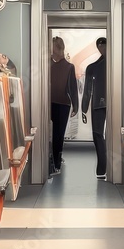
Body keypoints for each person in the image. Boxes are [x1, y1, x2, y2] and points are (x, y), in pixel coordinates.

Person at [49, 36, 78, 176]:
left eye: (53, 47)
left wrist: (76, 106)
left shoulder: (69, 67)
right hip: (48, 104)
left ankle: (57, 163)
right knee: (52, 134)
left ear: (57, 48)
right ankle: (53, 160)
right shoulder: (47, 64)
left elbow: (73, 87)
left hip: (62, 105)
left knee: (58, 134)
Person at [81, 37, 107, 179]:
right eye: (100, 46)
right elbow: (87, 90)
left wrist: (84, 109)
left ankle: (105, 168)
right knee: (97, 134)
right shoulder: (92, 67)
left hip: (108, 103)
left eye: (103, 45)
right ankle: (102, 169)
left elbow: (87, 90)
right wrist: (84, 109)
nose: (102, 48)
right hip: (98, 104)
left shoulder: (95, 67)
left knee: (102, 135)